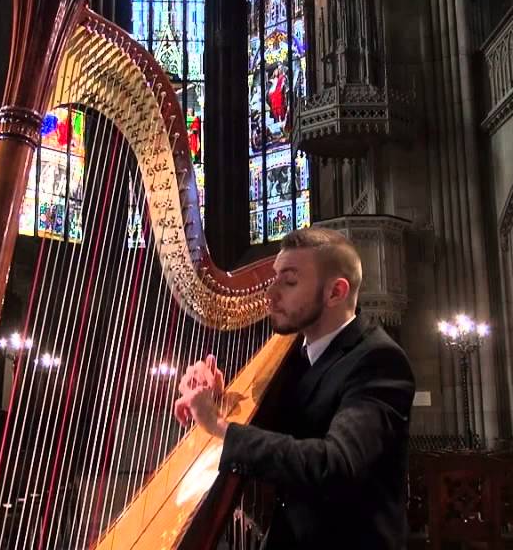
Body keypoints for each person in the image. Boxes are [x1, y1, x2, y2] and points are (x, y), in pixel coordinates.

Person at [173, 227, 415, 549]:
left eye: (288, 282)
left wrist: (219, 426)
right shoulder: (301, 352)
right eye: (273, 279)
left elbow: (335, 464)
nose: (269, 294)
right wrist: (221, 401)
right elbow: (286, 432)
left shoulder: (378, 360)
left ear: (335, 292)